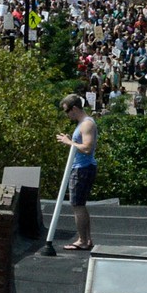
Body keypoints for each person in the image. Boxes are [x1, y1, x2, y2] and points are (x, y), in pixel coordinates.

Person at [57, 94, 98, 250]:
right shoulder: (82, 123)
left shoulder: (86, 124)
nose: (67, 115)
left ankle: (82, 240)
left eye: (67, 111)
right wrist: (72, 141)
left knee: (77, 205)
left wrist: (69, 142)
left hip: (82, 168)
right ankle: (86, 240)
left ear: (74, 108)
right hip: (82, 167)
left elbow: (87, 148)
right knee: (80, 205)